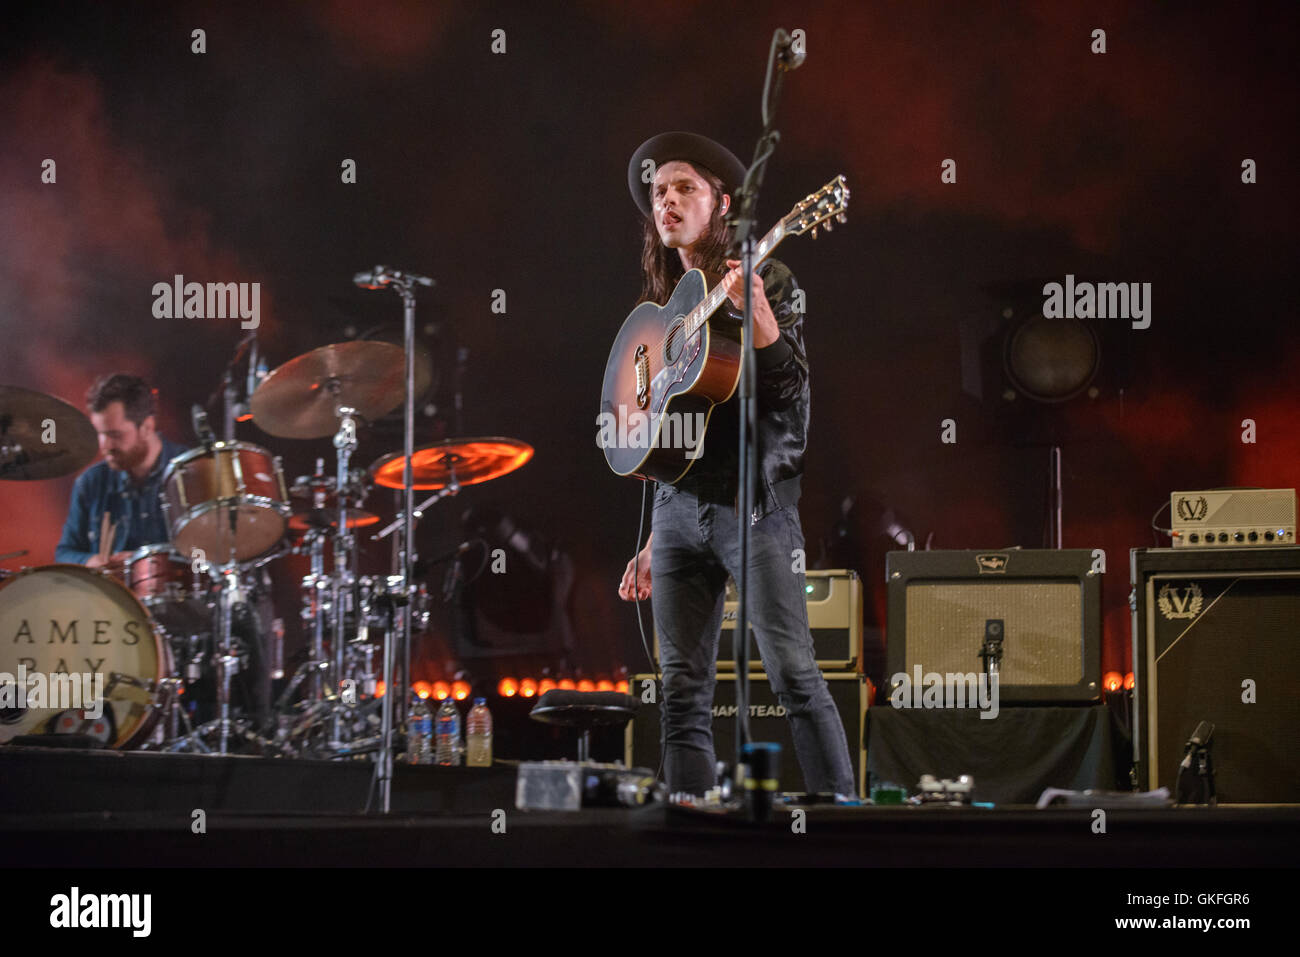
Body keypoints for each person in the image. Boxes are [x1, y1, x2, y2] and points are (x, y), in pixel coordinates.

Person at [616, 132, 856, 796]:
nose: (667, 200)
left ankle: (845, 827)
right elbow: (672, 433)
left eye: (683, 187)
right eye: (659, 191)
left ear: (723, 202)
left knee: (795, 677)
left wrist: (764, 326)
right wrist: (651, 539)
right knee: (681, 695)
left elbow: (793, 394)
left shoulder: (768, 278)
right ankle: (689, 829)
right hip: (675, 513)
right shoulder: (665, 306)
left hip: (753, 505)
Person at [56, 373, 187, 566]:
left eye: (115, 434)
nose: (105, 445)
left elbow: (213, 550)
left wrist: (143, 563)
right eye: (100, 434)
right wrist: (93, 561)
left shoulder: (190, 473)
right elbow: (64, 553)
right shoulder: (90, 482)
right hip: (108, 595)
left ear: (147, 427)